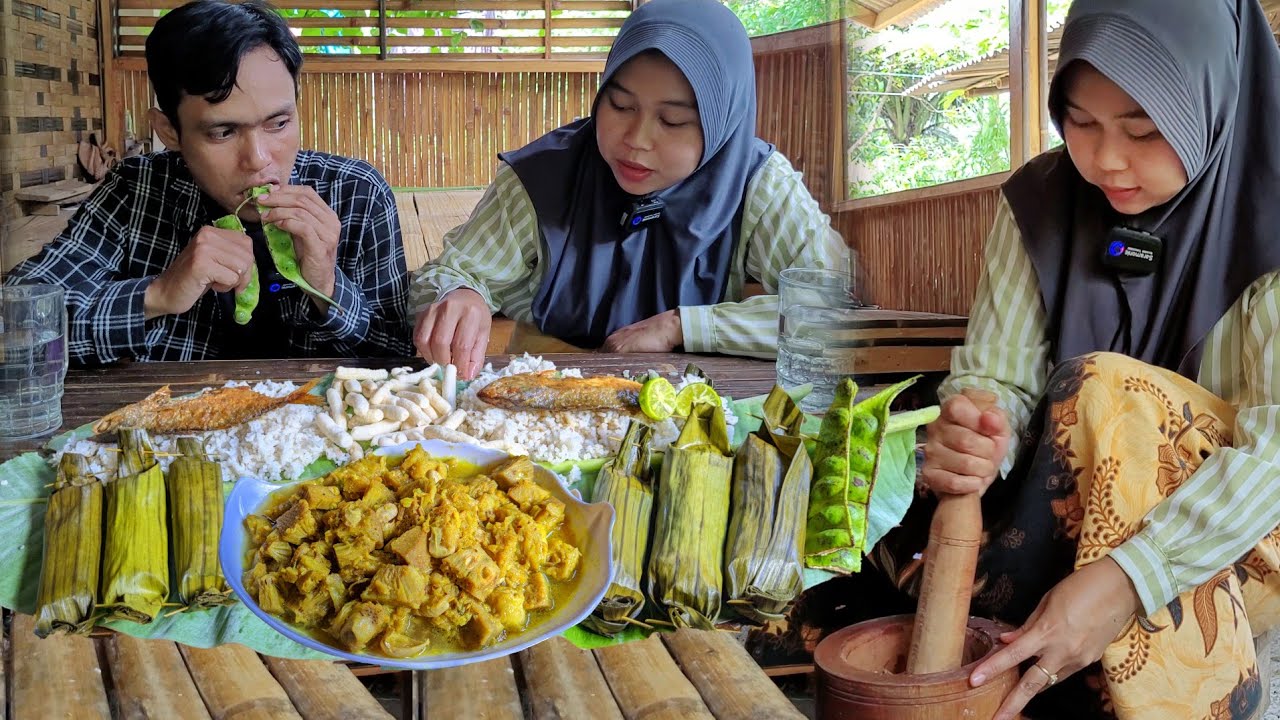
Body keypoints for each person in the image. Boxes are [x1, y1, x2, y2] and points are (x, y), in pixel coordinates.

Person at [854, 1, 1280, 718]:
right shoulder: (1041, 201)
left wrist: (1128, 578)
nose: (1106, 159)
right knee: (901, 450)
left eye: (1144, 130)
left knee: (1106, 389)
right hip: (1082, 511)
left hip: (1248, 532)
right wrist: (978, 430)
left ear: (1215, 100)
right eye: (1080, 121)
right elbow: (999, 376)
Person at [409, 0, 846, 380]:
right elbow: (449, 274)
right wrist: (460, 295)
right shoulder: (544, 178)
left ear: (721, 124)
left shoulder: (756, 183)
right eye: (620, 105)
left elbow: (829, 310)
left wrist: (681, 327)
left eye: (672, 121)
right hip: (546, 394)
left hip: (693, 402)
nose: (637, 138)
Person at [4, 0, 412, 364]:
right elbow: (15, 322)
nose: (258, 159)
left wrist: (326, 285)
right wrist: (157, 295)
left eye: (279, 123)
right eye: (222, 133)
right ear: (169, 131)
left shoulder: (356, 193)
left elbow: (397, 354)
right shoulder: (137, 189)